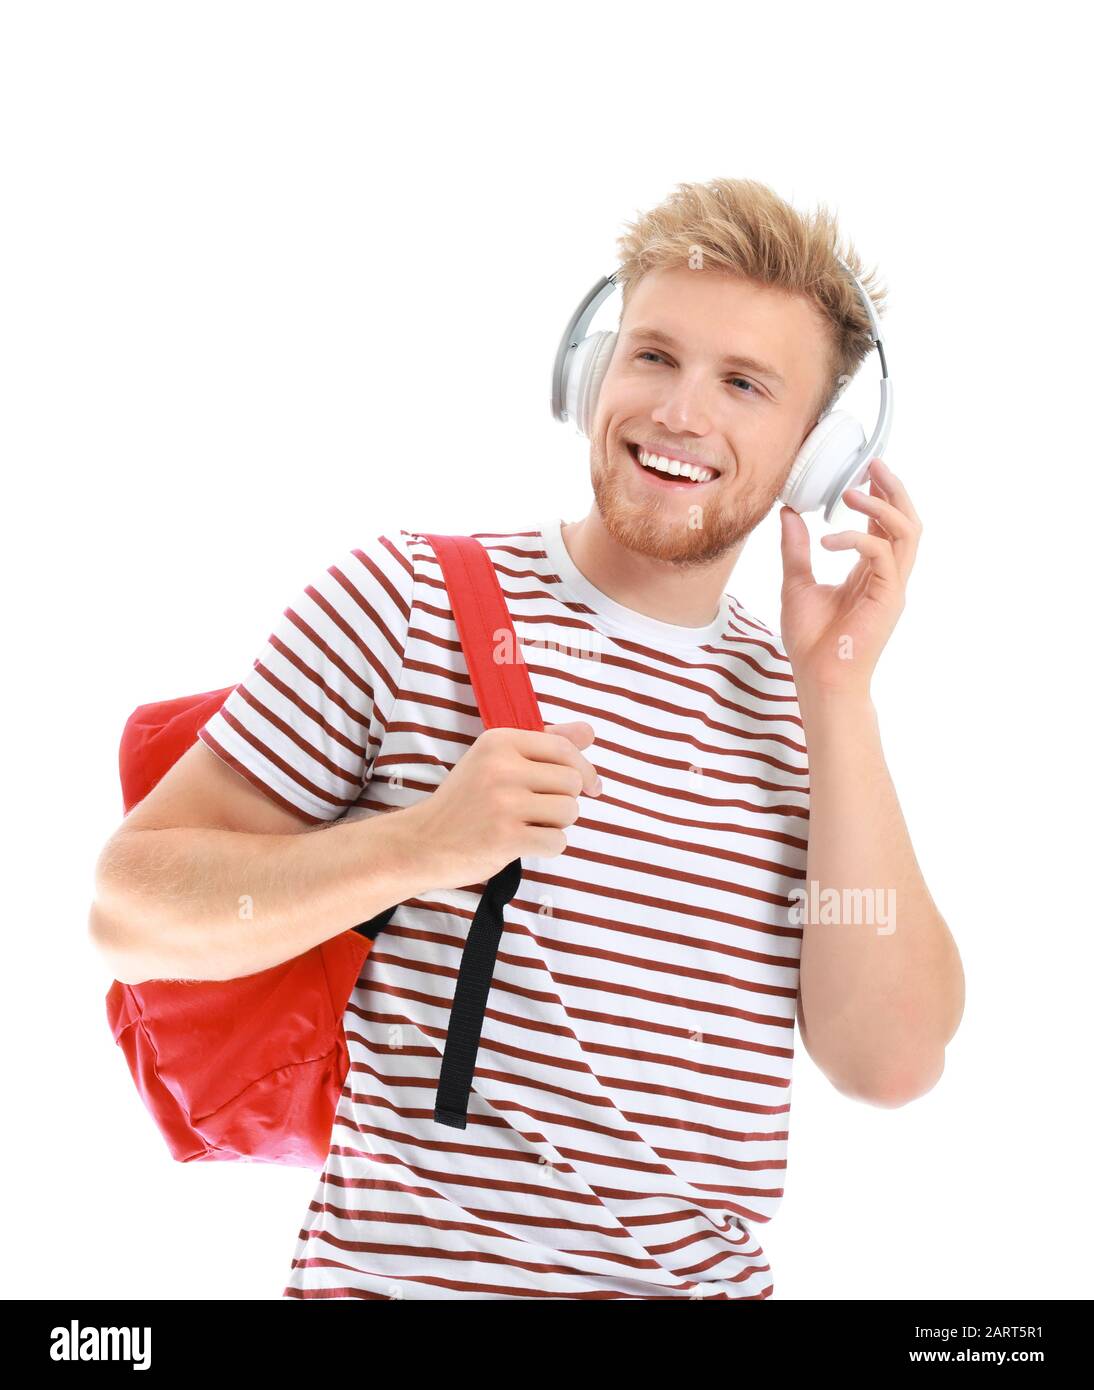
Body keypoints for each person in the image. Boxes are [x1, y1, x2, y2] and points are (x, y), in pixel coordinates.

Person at [89, 176, 965, 1300]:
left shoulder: (807, 718)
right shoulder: (403, 601)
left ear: (813, 455)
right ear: (591, 372)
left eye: (743, 383)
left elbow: (888, 1061)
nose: (679, 413)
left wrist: (837, 696)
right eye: (652, 356)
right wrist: (414, 845)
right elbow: (129, 910)